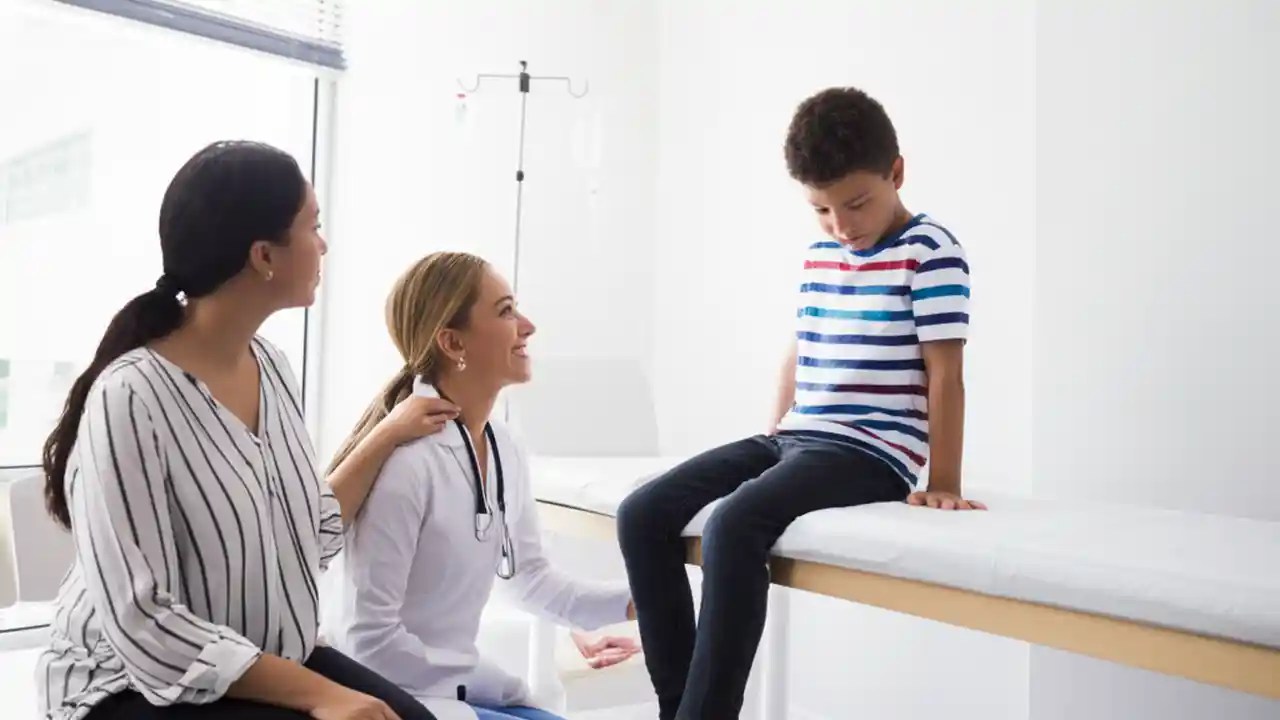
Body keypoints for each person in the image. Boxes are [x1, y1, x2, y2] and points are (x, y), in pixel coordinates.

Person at [35, 140, 457, 720]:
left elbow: (308, 534)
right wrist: (326, 695)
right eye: (313, 225)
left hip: (262, 659)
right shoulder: (131, 395)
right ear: (264, 255)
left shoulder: (273, 368)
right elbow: (145, 622)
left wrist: (387, 433)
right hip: (127, 684)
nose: (323, 243)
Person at [616, 86, 988, 719]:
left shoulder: (930, 253)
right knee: (642, 512)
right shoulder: (821, 254)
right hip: (797, 436)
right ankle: (678, 705)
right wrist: (773, 436)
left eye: (856, 203)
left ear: (896, 172)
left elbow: (945, 373)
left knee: (736, 524)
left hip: (870, 451)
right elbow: (800, 346)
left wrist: (943, 481)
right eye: (821, 210)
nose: (841, 225)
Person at [323, 252, 637, 720]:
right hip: (396, 698)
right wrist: (487, 682)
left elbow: (530, 580)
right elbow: (368, 641)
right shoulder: (407, 464)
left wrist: (643, 600)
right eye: (506, 311)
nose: (527, 326)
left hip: (456, 689)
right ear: (452, 342)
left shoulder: (504, 445)